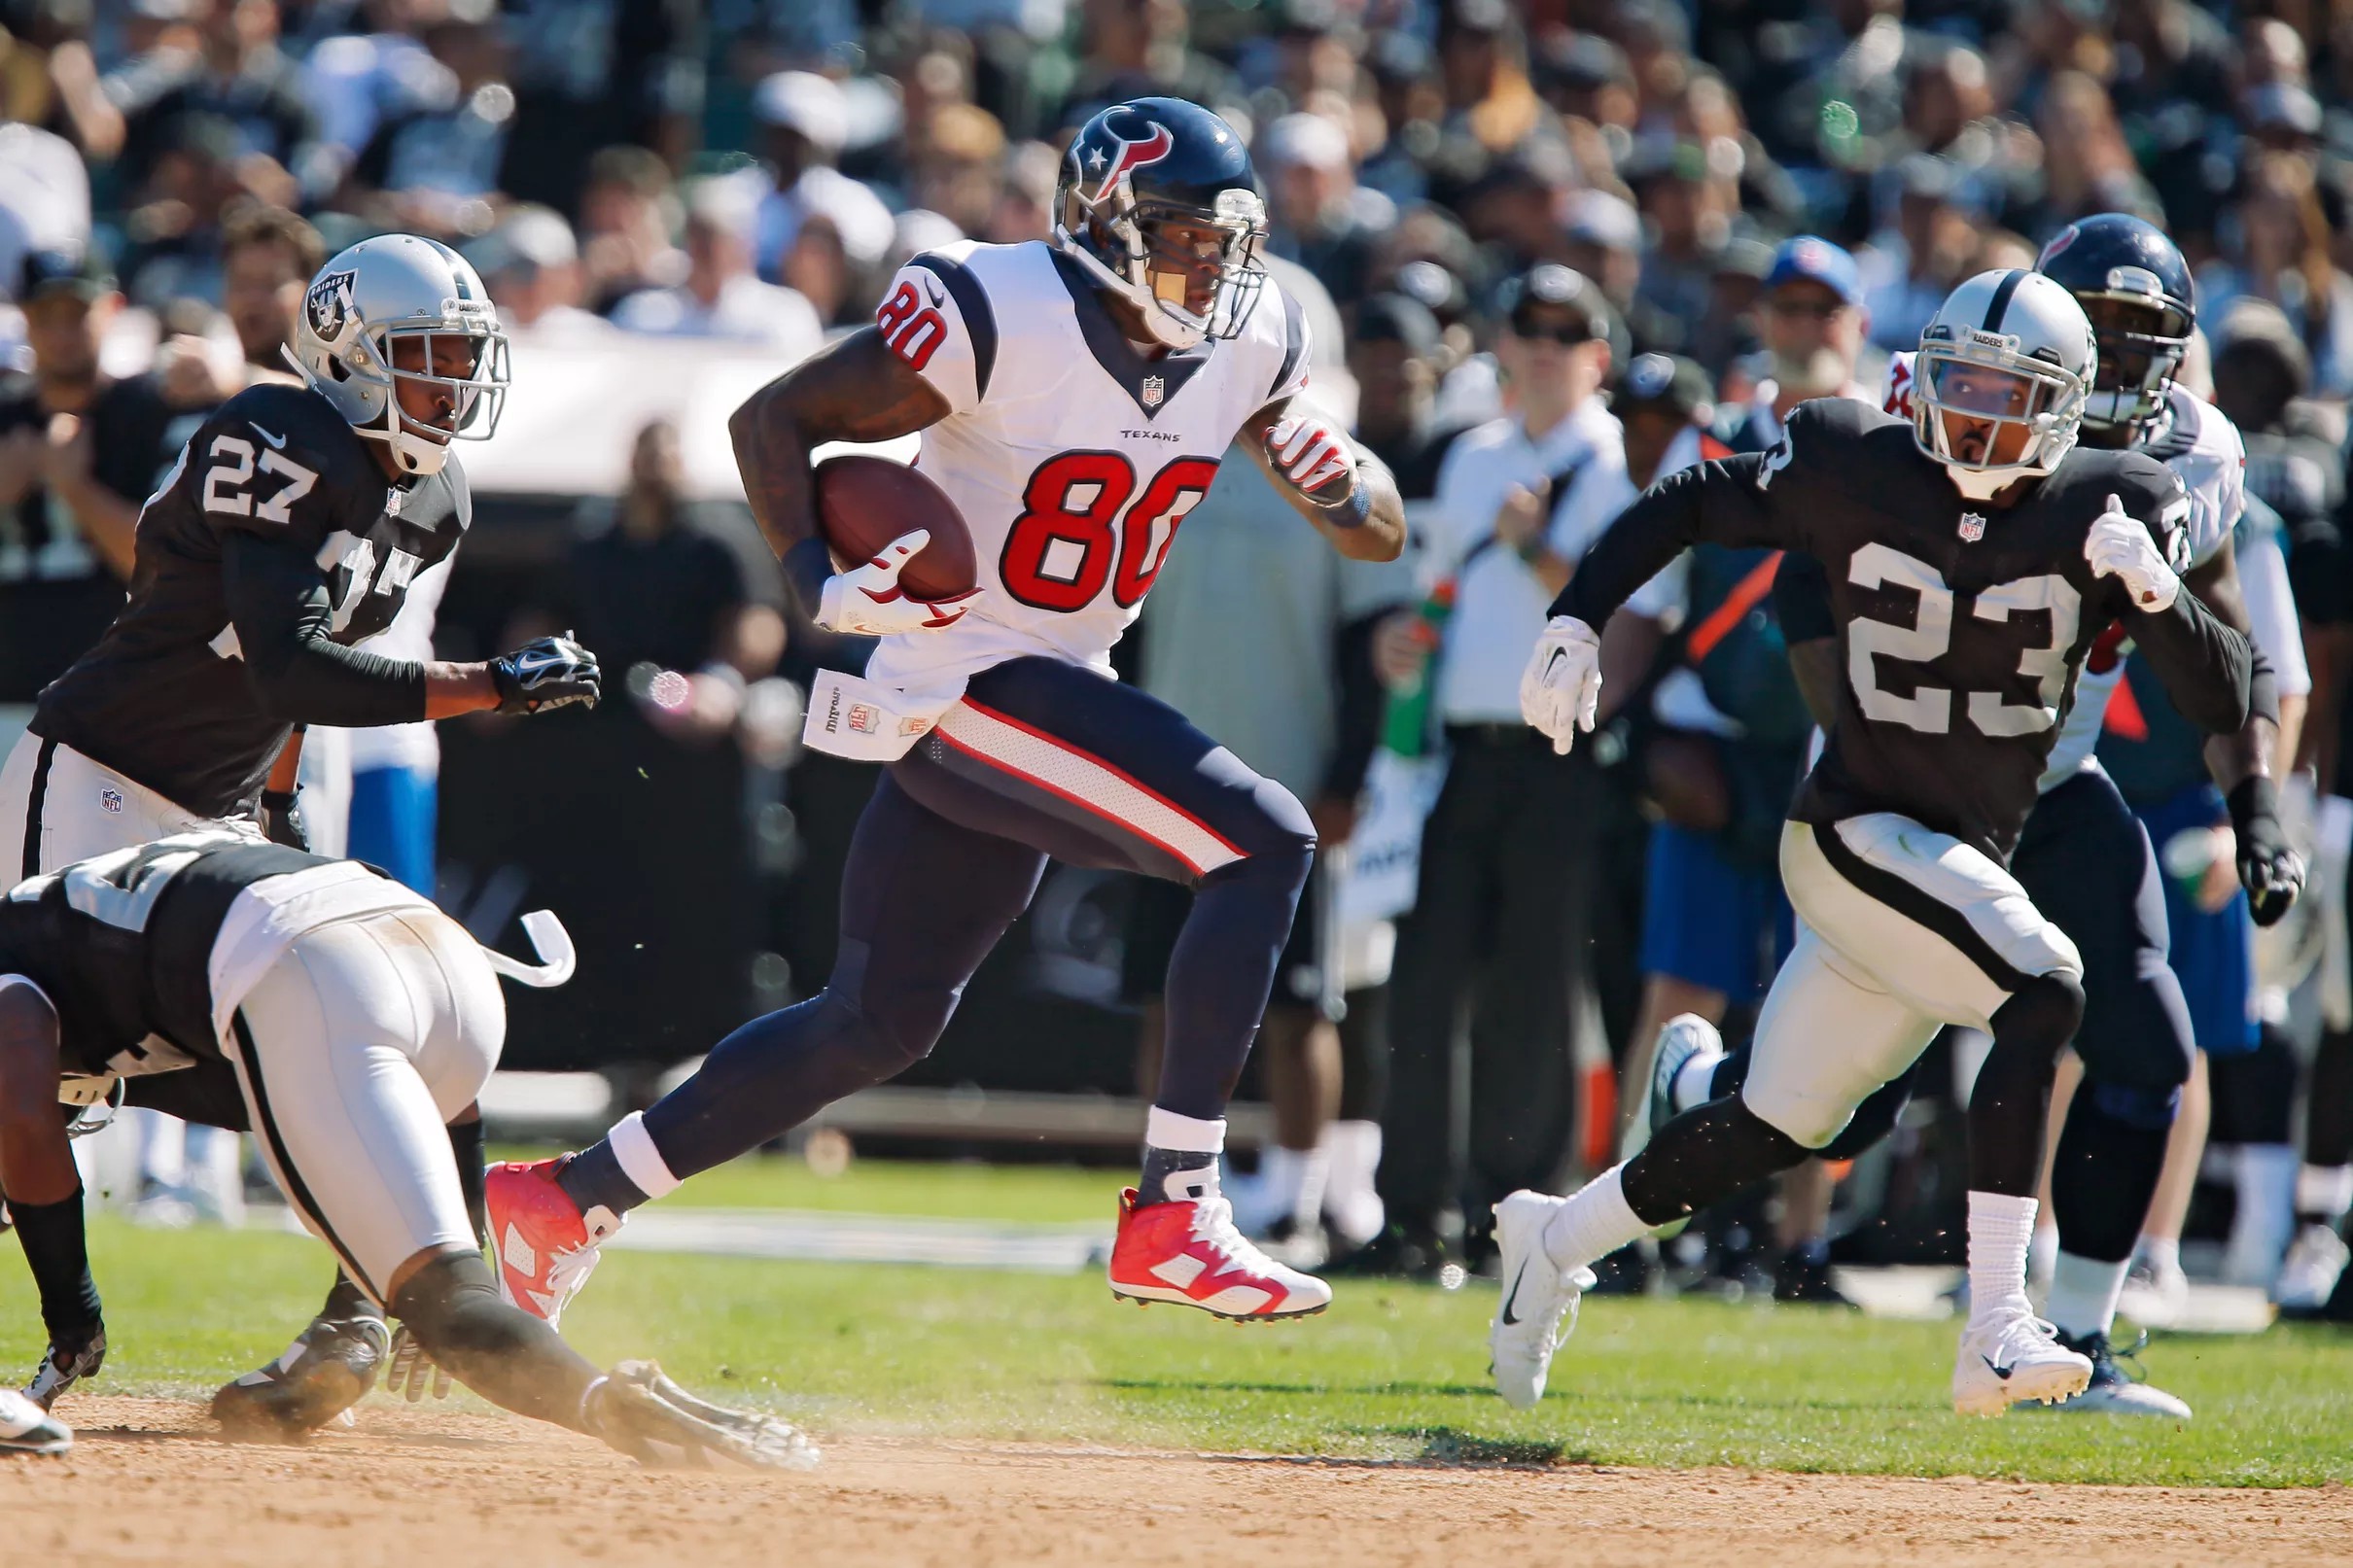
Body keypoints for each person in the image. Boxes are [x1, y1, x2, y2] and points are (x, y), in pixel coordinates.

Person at [486, 98, 1404, 1326]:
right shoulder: (998, 306)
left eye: (1224, 240)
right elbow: (773, 420)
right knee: (1262, 838)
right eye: (1179, 234)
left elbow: (1380, 524)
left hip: (1061, 674)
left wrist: (1342, 481)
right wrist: (814, 576)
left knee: (875, 1021)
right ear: (1102, 221)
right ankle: (1177, 1207)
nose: (1208, 265)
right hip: (960, 666)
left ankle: (563, 1200)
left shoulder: (1254, 336)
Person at [1500, 268, 2252, 1418]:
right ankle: (1996, 1323)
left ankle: (1550, 1240)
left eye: (2009, 396)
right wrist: (1576, 613)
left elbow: (2225, 689)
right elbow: (1695, 497)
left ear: (2062, 407)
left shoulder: (2108, 501)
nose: (1976, 418)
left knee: (1775, 1124)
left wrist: (2156, 597)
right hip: (1852, 833)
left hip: (1949, 862)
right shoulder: (1856, 458)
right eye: (1960, 386)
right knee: (2045, 984)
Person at [0, 233, 603, 1434]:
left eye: (462, 360)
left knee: (328, 1052)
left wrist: (274, 806)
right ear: (349, 353)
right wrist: (486, 682)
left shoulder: (434, 494)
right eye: (427, 359)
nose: (451, 387)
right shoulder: (274, 432)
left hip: (220, 805)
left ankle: (360, 1302)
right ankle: (60, 1334)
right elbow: (291, 658)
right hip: (97, 784)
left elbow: (296, 678)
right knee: (27, 1062)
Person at [1701, 216, 2292, 1414]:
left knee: (2144, 1041)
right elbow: (1803, 579)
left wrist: (2257, 803)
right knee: (1839, 1114)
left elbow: (2233, 649)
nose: (2122, 370)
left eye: (2145, 343)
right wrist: (1874, 751)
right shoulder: (1946, 414)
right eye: (2100, 336)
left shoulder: (2187, 457)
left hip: (2054, 782)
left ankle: (2076, 1334)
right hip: (1902, 789)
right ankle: (1696, 1094)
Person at [0, 831, 810, 1469]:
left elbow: (29, 1124)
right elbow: (305, 1099)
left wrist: (72, 1312)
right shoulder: (70, 911)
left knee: (449, 1308)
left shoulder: (20, 957)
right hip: (438, 955)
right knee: (410, 1241)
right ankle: (357, 1319)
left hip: (311, 971)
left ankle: (614, 1405)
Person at [1373, 261, 1620, 1277]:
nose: (1545, 349)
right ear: (1504, 347)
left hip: (1560, 751)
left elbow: (1617, 611)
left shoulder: (1612, 461)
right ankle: (1411, 1211)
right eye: (1529, 330)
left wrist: (1538, 548)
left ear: (1596, 357)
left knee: (1533, 990)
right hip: (1463, 747)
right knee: (1424, 983)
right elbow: (1434, 590)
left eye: (1566, 334)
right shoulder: (1469, 457)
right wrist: (1400, 643)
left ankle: (1513, 1216)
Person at [0, 249, 174, 706]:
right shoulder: (5, 416)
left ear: (112, 309)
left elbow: (161, 568)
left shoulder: (146, 410)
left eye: (76, 314)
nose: (61, 334)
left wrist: (76, 488)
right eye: (45, 316)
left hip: (116, 700)